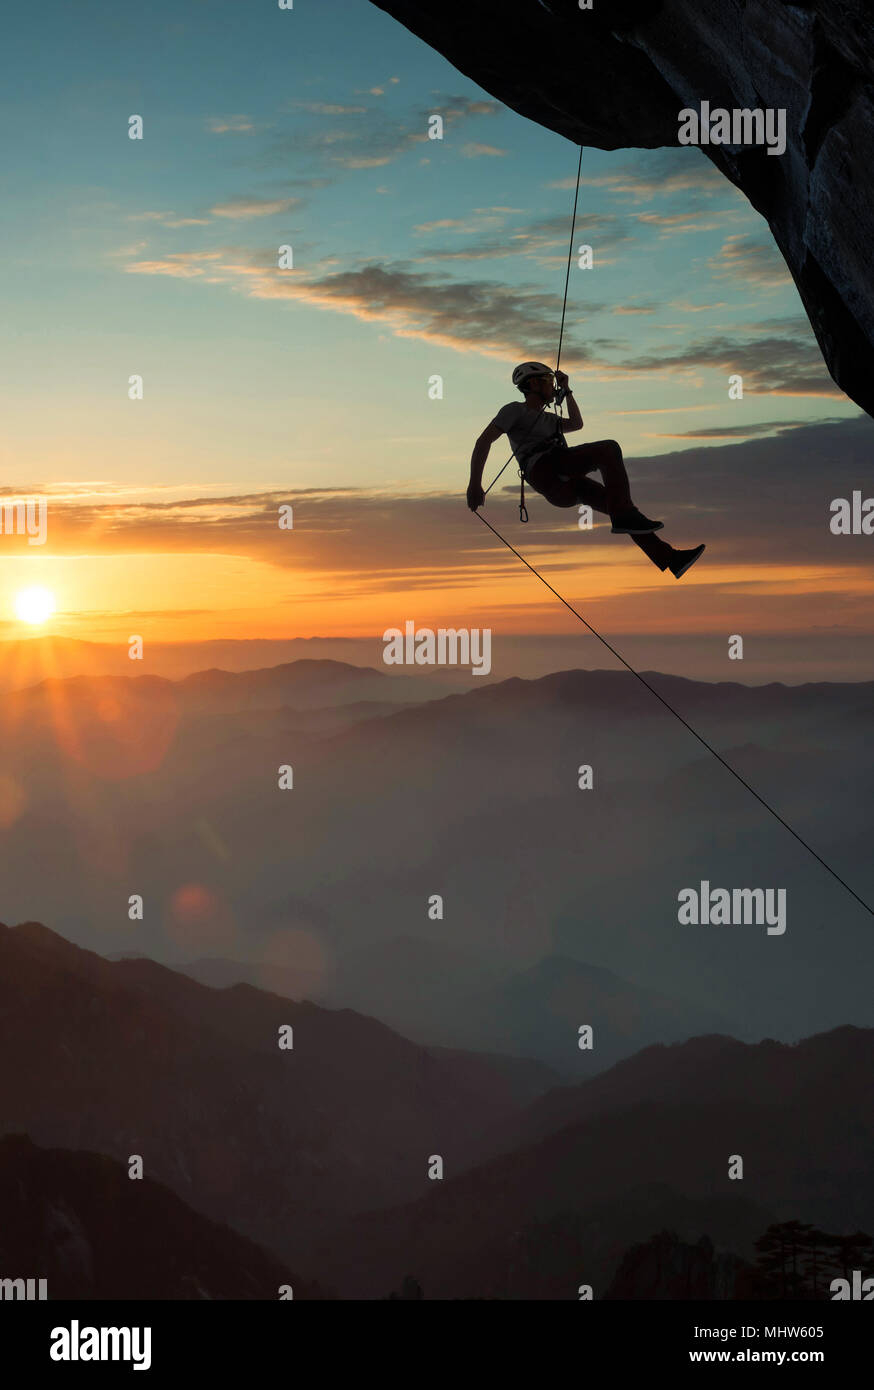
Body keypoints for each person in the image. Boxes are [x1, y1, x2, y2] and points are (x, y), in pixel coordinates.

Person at [467, 361, 705, 578]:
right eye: (548, 382)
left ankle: (670, 559)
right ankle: (625, 515)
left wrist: (567, 390)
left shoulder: (550, 420)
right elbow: (483, 442)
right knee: (609, 451)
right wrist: (475, 484)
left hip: (562, 486)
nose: (552, 387)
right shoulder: (514, 410)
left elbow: (577, 424)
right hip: (546, 469)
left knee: (620, 509)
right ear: (532, 383)